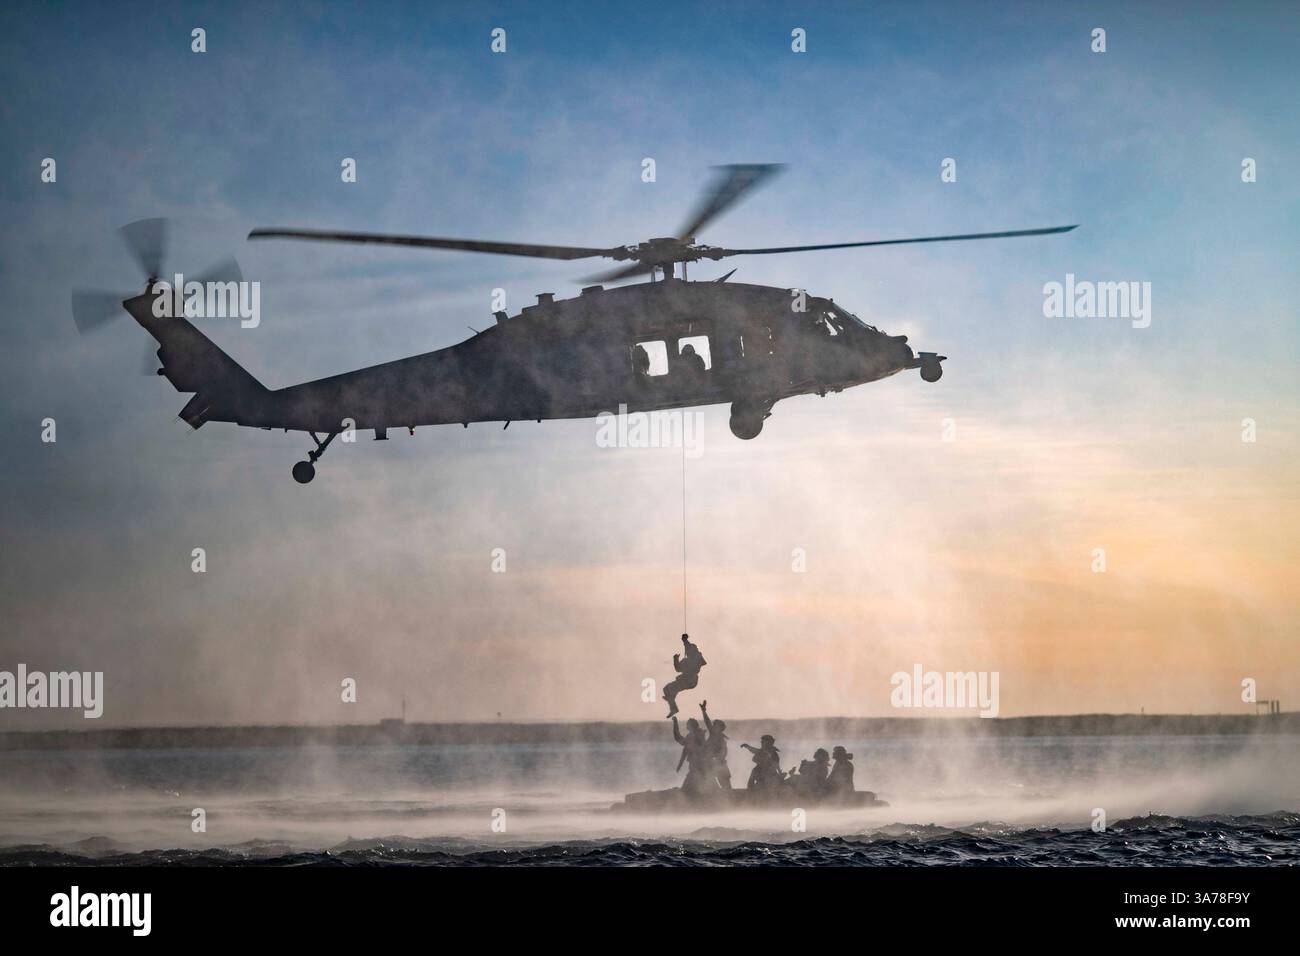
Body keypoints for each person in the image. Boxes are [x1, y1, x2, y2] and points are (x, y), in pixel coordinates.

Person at [662, 634, 706, 718]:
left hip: (688, 681)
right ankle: (671, 702)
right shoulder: (695, 658)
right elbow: (689, 647)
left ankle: (672, 704)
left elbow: (678, 669)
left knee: (668, 689)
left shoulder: (695, 659)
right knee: (668, 690)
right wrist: (685, 641)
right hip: (689, 681)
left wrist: (675, 659)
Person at [671, 716, 714, 797]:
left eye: (688, 725)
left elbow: (682, 741)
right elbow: (683, 745)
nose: (686, 726)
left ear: (692, 726)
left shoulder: (698, 735)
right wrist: (675, 723)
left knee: (693, 786)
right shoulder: (691, 736)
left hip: (699, 766)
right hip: (696, 766)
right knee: (694, 786)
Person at [699, 700, 731, 790]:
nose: (712, 726)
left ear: (720, 728)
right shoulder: (714, 734)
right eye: (713, 725)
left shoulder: (721, 739)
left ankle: (728, 796)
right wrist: (704, 711)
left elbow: (723, 752)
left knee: (725, 785)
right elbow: (707, 722)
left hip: (719, 763)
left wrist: (716, 759)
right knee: (710, 782)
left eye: (715, 725)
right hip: (712, 763)